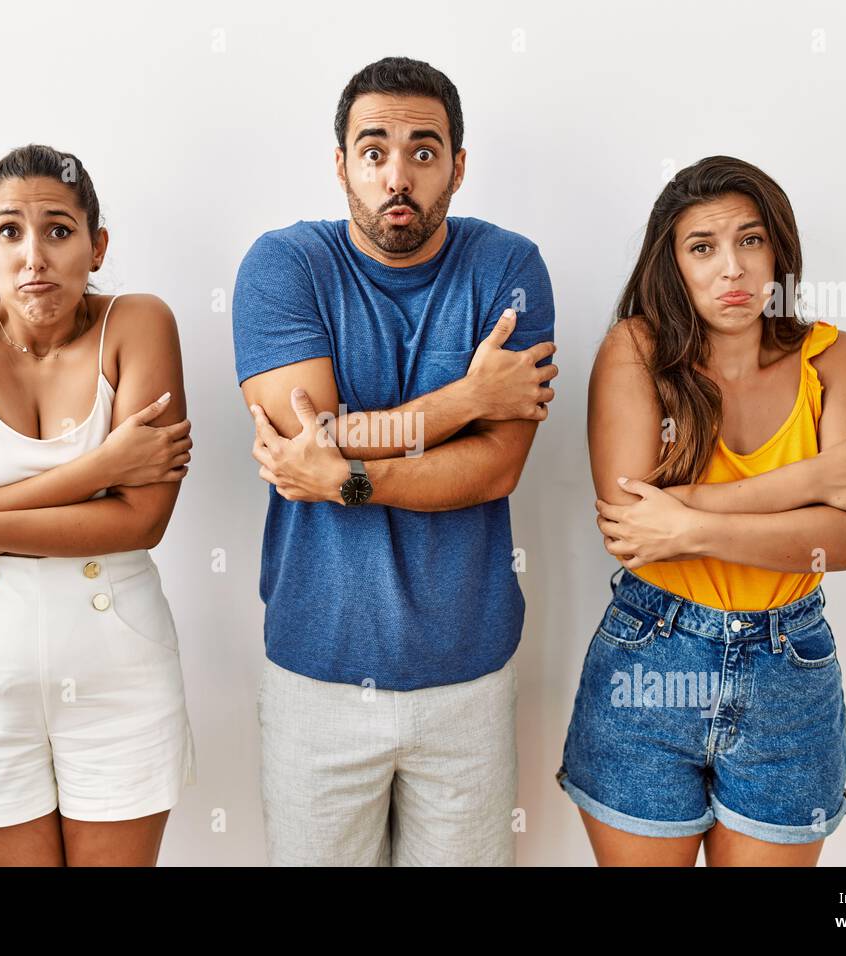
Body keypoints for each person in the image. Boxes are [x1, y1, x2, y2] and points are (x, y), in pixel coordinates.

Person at [232, 57, 558, 865]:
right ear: (341, 164)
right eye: (373, 151)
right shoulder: (283, 267)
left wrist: (344, 478)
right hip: (318, 676)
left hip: (468, 678)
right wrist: (466, 401)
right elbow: (319, 433)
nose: (398, 175)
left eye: (424, 150)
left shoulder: (508, 269)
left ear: (458, 165)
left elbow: (493, 470)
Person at [557, 155, 846, 865]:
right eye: (702, 247)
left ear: (779, 248)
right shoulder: (635, 350)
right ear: (674, 264)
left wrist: (693, 525)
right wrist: (813, 478)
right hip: (649, 658)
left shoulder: (837, 362)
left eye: (750, 240)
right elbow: (631, 530)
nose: (732, 269)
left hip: (790, 672)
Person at [0, 144, 195, 866]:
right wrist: (101, 468)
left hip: (121, 662)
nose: (34, 256)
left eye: (59, 230)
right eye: (10, 232)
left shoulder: (140, 321)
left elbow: (142, 520)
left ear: (97, 245)